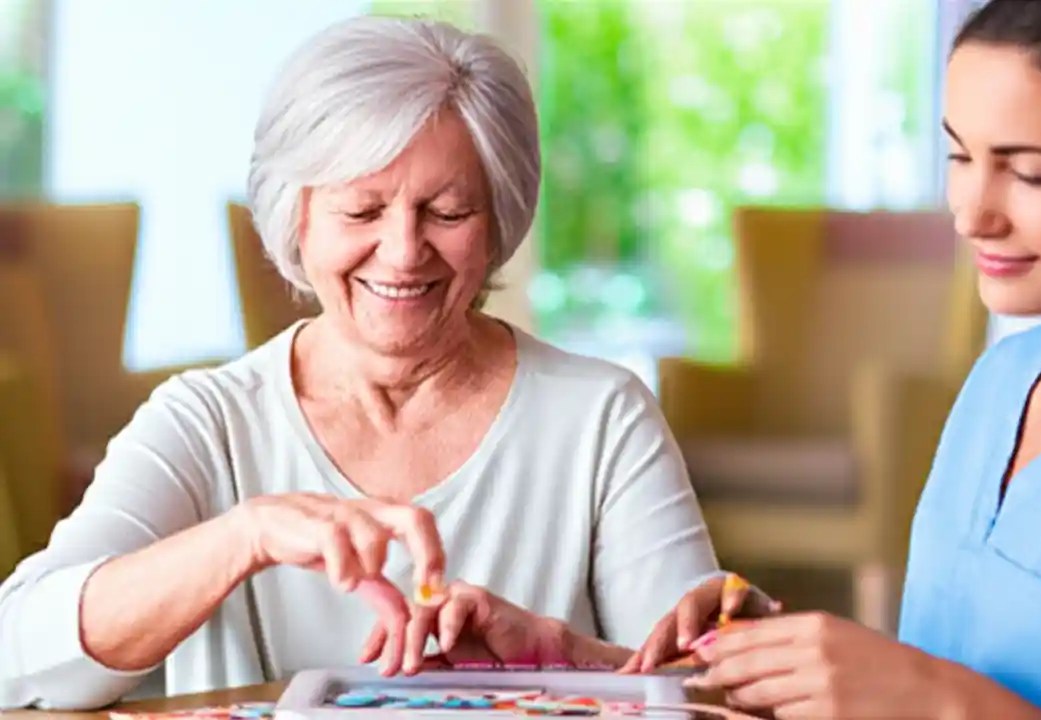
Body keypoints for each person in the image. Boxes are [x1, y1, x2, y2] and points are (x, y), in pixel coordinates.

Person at [0, 16, 719, 711]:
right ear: (298, 217)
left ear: (498, 218)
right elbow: (16, 657)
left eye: (447, 211)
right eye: (362, 212)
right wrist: (242, 537)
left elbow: (714, 684)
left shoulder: (600, 416)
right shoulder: (209, 420)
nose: (404, 252)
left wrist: (555, 649)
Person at [629, 1, 1041, 717]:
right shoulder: (1001, 383)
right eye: (960, 156)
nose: (972, 214)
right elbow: (958, 662)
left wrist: (935, 699)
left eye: (1031, 174)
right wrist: (783, 657)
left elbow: (942, 694)